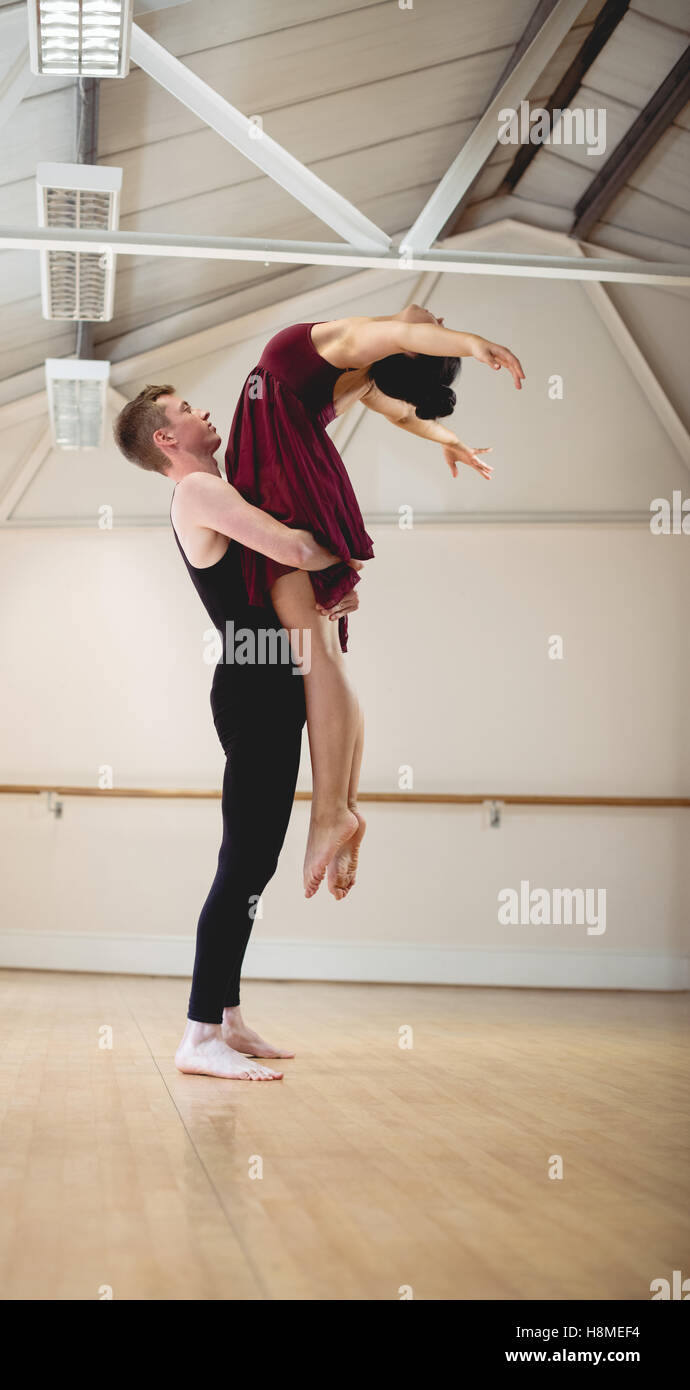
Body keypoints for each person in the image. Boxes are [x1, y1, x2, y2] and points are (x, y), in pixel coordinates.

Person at [225, 305, 525, 899]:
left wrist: (475, 341)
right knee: (328, 657)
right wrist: (450, 439)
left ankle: (329, 813)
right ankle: (344, 806)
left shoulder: (349, 340)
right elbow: (402, 414)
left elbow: (410, 333)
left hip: (285, 490)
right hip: (295, 484)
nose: (433, 313)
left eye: (432, 330)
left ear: (410, 350)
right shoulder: (364, 374)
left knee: (319, 658)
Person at [114, 386, 361, 1081]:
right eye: (186, 407)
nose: (203, 411)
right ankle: (197, 1036)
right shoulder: (195, 491)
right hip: (254, 687)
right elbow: (291, 547)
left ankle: (226, 1018)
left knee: (253, 863)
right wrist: (343, 543)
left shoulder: (220, 488)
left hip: (269, 680)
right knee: (244, 865)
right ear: (166, 438)